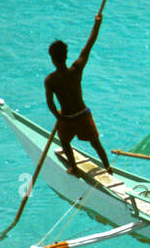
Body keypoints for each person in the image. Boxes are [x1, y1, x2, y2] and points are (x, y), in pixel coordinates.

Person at [44, 12, 110, 175]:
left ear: (52, 59)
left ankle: (74, 168)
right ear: (66, 56)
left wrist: (59, 118)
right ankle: (108, 167)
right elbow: (89, 44)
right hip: (83, 114)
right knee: (95, 143)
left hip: (68, 118)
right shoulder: (76, 69)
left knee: (65, 142)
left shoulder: (50, 80)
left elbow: (50, 103)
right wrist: (97, 24)